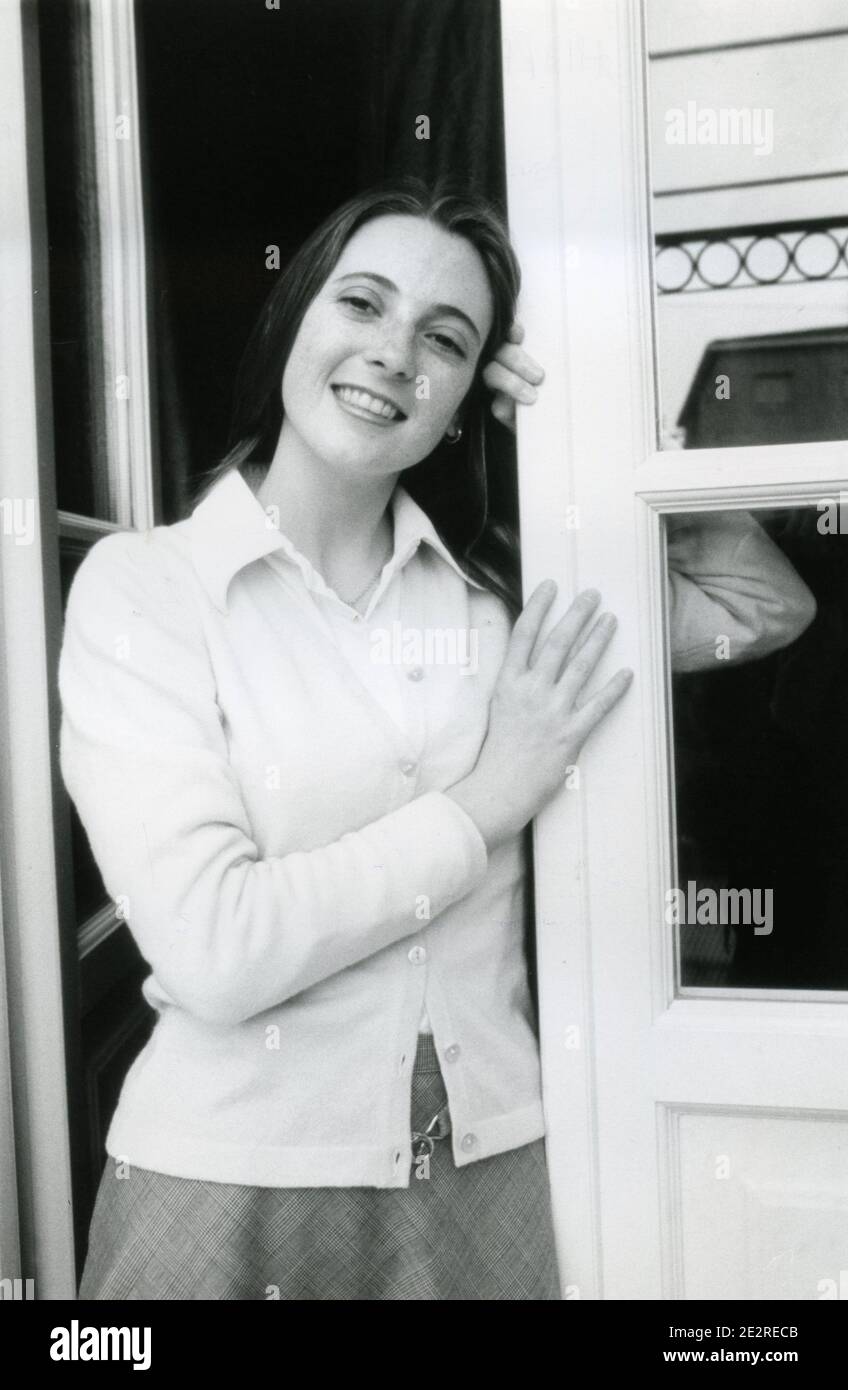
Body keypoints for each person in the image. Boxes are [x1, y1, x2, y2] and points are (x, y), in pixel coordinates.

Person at [59, 179, 817, 1301]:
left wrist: (582, 431)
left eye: (444, 339)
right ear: (294, 319)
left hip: (481, 1178)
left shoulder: (493, 593)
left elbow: (759, 608)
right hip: (227, 1185)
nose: (391, 353)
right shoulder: (147, 589)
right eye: (360, 304)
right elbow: (215, 950)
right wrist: (484, 801)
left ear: (466, 391)